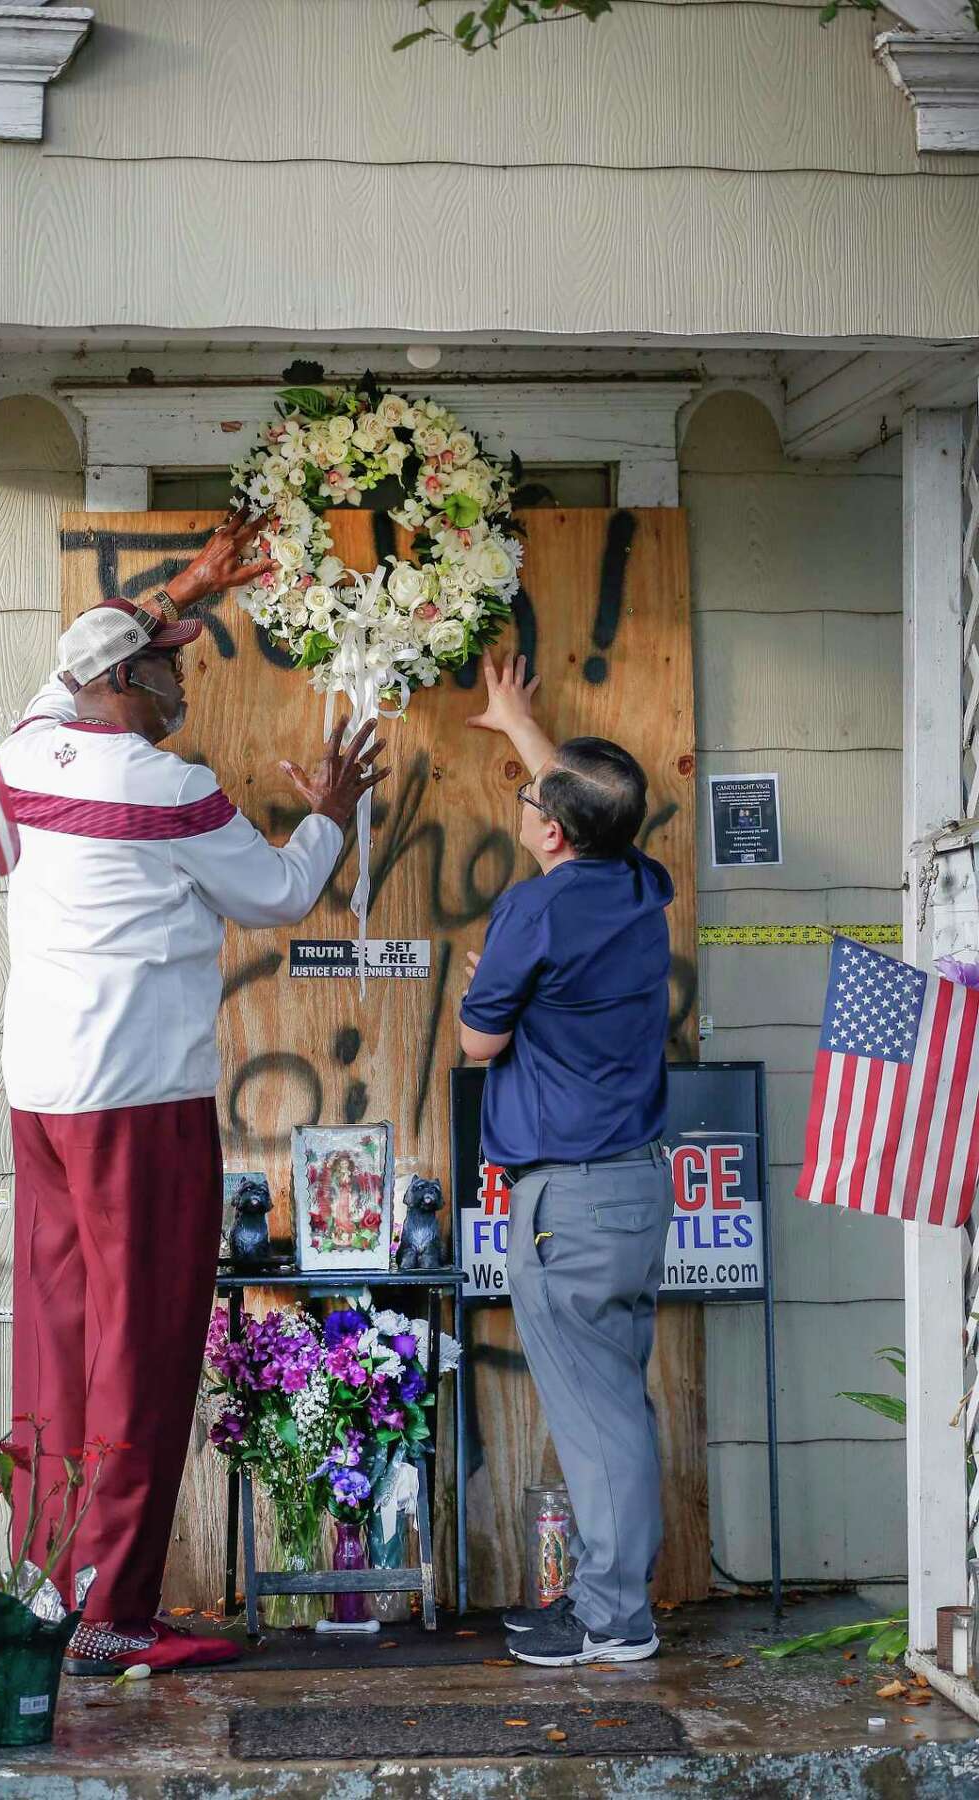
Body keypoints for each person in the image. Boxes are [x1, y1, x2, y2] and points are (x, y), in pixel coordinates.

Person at [0, 511, 387, 1675]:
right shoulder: (166, 785)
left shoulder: (26, 748)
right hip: (141, 1101)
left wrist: (191, 586)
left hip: (42, 1093)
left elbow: (88, 666)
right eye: (169, 664)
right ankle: (116, 1613)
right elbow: (272, 897)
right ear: (125, 682)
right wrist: (327, 812)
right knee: (145, 1348)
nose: (184, 676)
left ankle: (52, 1588)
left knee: (57, 1342)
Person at [459, 651, 674, 1668]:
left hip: (569, 1204)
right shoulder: (637, 883)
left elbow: (476, 1046)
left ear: (549, 830)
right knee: (614, 1406)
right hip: (634, 1191)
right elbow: (592, 815)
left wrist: (489, 993)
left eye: (531, 797)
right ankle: (611, 1600)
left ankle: (610, 1617)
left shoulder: (534, 910)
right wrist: (520, 729)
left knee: (597, 1422)